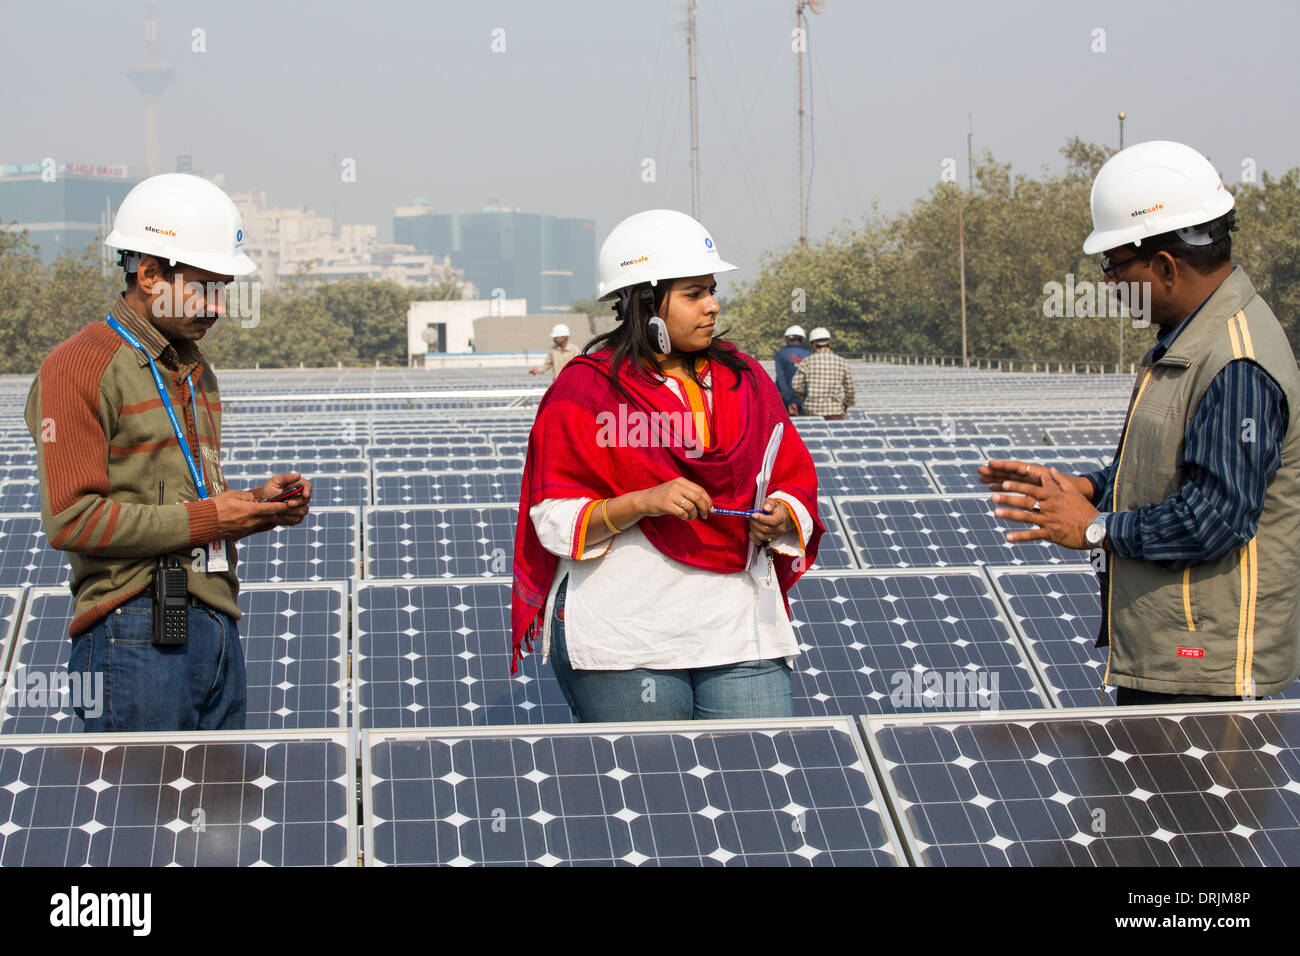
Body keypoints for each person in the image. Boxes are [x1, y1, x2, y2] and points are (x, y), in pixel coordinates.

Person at [981, 140, 1300, 705]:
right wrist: (1086, 488)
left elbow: (1215, 518)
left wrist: (1096, 528)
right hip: (1176, 664)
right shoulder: (1189, 342)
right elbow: (1167, 468)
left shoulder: (1236, 361)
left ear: (1165, 265)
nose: (1108, 282)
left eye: (1114, 265)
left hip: (1209, 679)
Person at [24, 173, 313, 732]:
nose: (218, 306)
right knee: (142, 817)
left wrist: (253, 506)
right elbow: (70, 520)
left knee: (221, 817)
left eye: (223, 289)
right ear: (151, 274)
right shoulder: (79, 366)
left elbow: (189, 504)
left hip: (215, 624)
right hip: (132, 631)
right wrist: (213, 517)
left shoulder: (196, 371)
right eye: (205, 286)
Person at [511, 209, 824, 722]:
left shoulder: (744, 380)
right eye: (694, 294)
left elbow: (793, 474)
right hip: (627, 634)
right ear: (645, 303)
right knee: (653, 793)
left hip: (739, 624)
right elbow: (552, 517)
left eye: (712, 289)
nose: (713, 305)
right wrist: (640, 502)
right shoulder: (585, 392)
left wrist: (785, 515)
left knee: (759, 784)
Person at [791, 327, 855, 419]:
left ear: (813, 345)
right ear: (830, 343)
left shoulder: (807, 362)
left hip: (811, 410)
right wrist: (846, 405)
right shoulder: (841, 362)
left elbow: (796, 385)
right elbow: (850, 388)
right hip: (835, 411)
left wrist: (805, 397)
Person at [774, 325, 812, 415]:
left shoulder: (781, 354)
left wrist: (790, 401)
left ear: (787, 339)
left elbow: (781, 379)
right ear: (802, 339)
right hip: (804, 401)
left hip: (786, 401)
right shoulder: (809, 355)